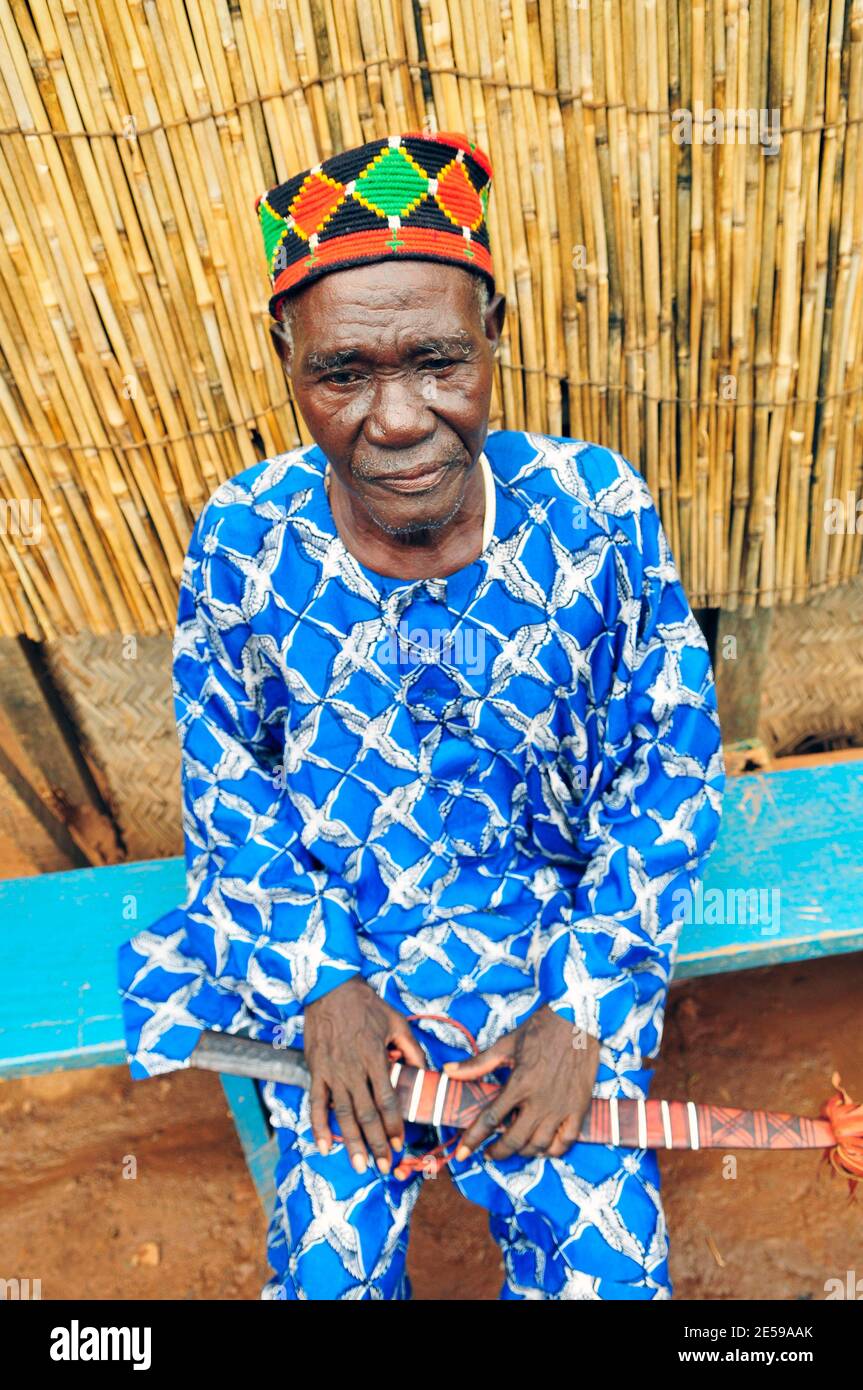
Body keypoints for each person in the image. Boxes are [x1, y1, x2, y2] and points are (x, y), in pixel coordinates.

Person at [118, 131, 725, 1300]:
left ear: (495, 337)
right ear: (284, 358)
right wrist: (318, 984)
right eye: (343, 373)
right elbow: (224, 780)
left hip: (547, 965)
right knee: (327, 1272)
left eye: (438, 361)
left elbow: (675, 766)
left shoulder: (593, 510)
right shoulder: (244, 539)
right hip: (346, 984)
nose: (395, 419)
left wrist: (585, 1007)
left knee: (606, 1269)